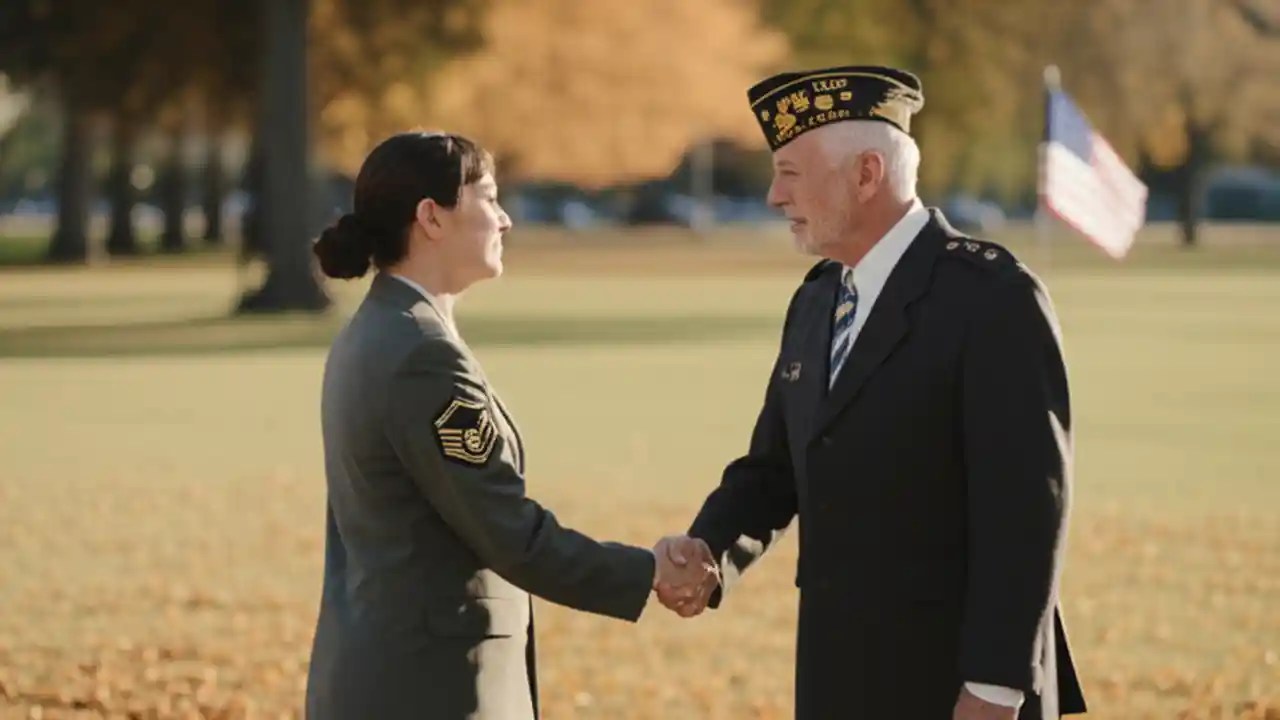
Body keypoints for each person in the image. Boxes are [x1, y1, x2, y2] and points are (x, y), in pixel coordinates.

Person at [652, 66, 1088, 719]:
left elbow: (1027, 511)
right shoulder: (818, 300)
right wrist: (708, 547)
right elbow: (775, 470)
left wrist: (996, 688)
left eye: (791, 174)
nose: (774, 196)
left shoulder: (991, 299)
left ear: (865, 174)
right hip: (839, 679)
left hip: (961, 689)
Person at [304, 131, 716, 720]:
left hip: (390, 675)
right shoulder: (421, 353)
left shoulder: (378, 330)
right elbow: (510, 533)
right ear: (431, 218)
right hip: (430, 691)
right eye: (489, 199)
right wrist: (648, 570)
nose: (505, 220)